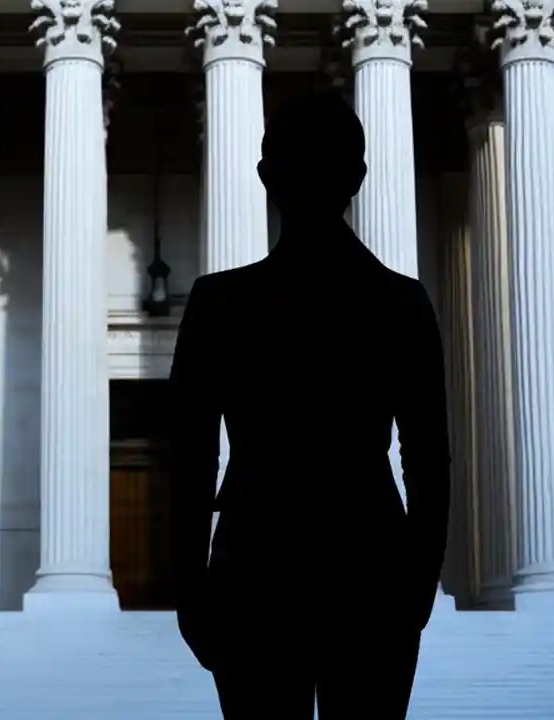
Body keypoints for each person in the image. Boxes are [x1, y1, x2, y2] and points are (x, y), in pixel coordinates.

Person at [167, 90, 452, 719]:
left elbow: (186, 462)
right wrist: (416, 592)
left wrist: (189, 592)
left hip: (255, 565)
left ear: (267, 178)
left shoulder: (219, 303)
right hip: (371, 566)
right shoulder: (402, 304)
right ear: (358, 178)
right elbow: (430, 464)